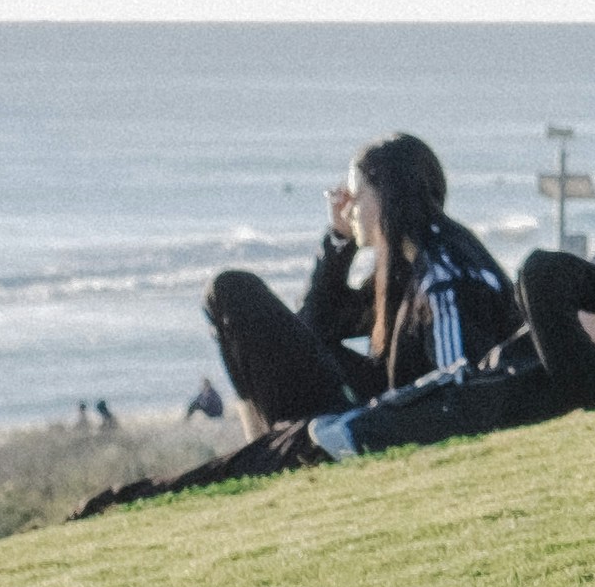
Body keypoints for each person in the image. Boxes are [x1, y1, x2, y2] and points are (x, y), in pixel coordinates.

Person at [75, 243, 595, 514]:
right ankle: (95, 514)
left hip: (349, 447)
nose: (589, 297)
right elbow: (548, 282)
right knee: (186, 487)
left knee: (185, 494)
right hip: (344, 431)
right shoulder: (552, 350)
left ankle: (97, 517)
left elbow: (542, 273)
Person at [200, 133, 525, 429]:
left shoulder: (443, 275)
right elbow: (316, 326)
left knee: (231, 290)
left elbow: (462, 387)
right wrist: (339, 241)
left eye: (355, 195)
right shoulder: (412, 263)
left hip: (401, 422)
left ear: (387, 197)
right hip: (393, 408)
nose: (347, 208)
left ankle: (265, 453)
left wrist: (368, 425)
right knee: (229, 299)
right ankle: (264, 448)